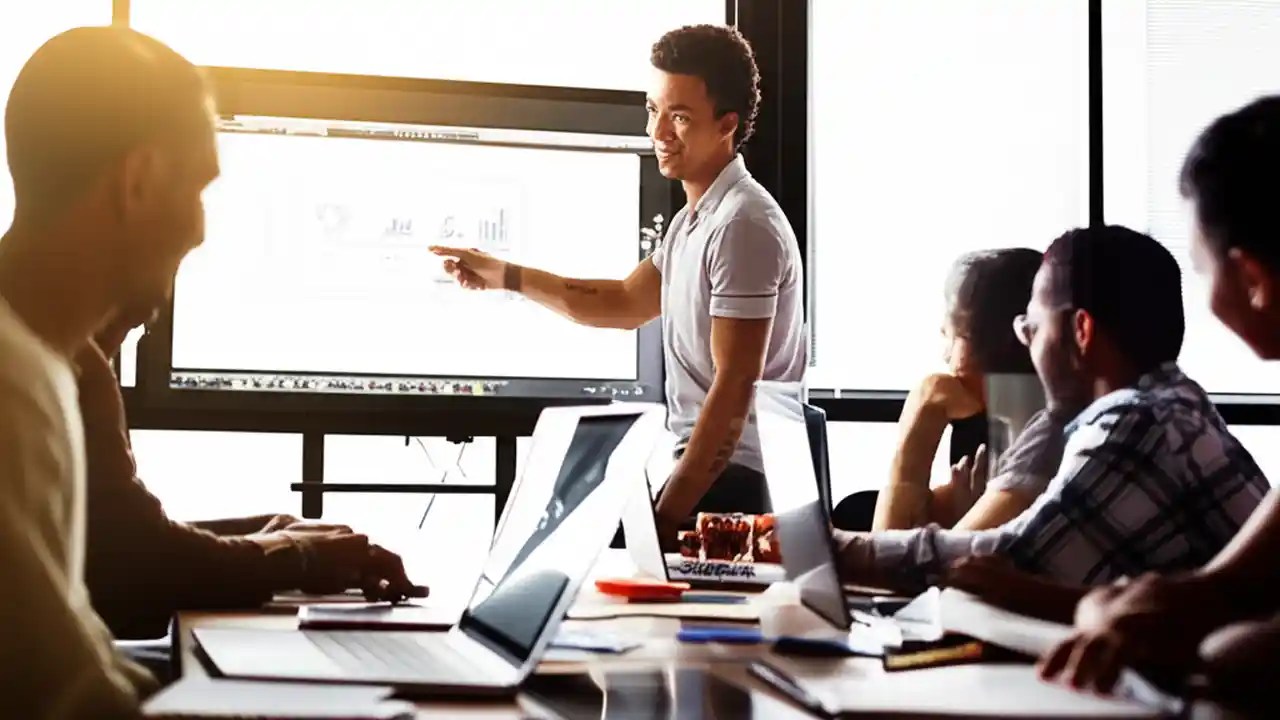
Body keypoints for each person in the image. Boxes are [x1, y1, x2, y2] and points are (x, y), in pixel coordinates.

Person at [430, 25, 804, 547]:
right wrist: (506, 276)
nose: (659, 132)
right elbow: (623, 302)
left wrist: (666, 514)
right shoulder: (695, 221)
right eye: (654, 110)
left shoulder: (743, 224)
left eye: (680, 117)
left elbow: (733, 389)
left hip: (736, 486)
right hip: (706, 479)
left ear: (727, 125)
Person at [833, 226, 1269, 596]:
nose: (1026, 345)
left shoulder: (1136, 425)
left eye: (1032, 327)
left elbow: (995, 563)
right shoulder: (1175, 404)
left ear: (1081, 331)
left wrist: (826, 548)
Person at [1020, 96, 1280, 712]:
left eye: (1200, 267)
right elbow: (1228, 585)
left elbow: (1240, 631)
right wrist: (1128, 606)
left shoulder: (1145, 416)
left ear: (1251, 280)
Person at [0, 26, 218, 717]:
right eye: (200, 185)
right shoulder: (14, 384)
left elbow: (73, 652)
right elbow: (70, 704)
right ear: (140, 181)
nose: (202, 228)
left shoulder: (38, 366)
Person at [81, 307, 425, 642]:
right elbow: (133, 579)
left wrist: (270, 537)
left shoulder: (59, 347)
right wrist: (297, 552)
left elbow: (114, 538)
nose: (156, 307)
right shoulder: (75, 363)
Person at [872, 248, 1066, 532]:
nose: (945, 354)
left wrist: (924, 405)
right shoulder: (990, 447)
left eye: (955, 333)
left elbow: (886, 565)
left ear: (1004, 342)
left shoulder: (1045, 445)